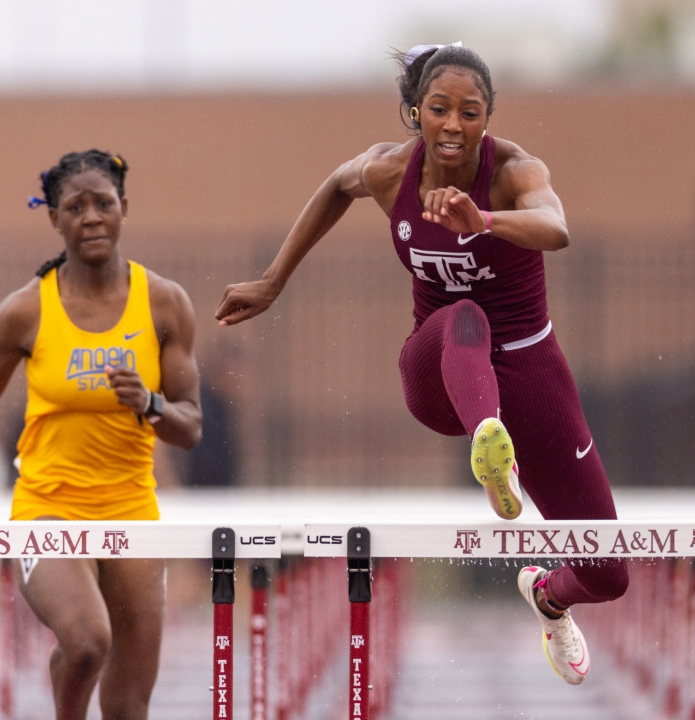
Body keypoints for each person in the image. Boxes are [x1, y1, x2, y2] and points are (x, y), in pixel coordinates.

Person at [216, 43, 626, 684]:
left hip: (529, 371)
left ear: (488, 118)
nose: (454, 125)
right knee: (467, 315)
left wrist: (484, 220)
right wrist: (272, 281)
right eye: (439, 109)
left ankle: (547, 596)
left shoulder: (513, 170)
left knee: (609, 572)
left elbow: (556, 226)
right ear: (416, 112)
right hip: (441, 369)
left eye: (470, 112)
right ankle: (492, 446)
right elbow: (335, 186)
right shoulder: (389, 171)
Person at [0, 150, 202, 720]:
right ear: (54, 218)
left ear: (124, 208)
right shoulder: (25, 311)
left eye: (103, 204)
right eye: (75, 207)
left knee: (129, 706)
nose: (91, 217)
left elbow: (190, 428)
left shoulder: (164, 303)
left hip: (131, 510)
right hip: (48, 507)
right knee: (87, 641)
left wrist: (151, 403)